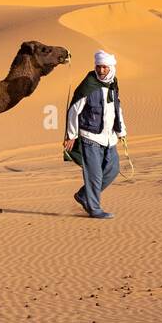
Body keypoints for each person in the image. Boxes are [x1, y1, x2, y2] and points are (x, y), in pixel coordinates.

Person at [64, 50, 126, 219]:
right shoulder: (88, 86)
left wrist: (121, 131)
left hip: (109, 138)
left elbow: (116, 109)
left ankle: (84, 195)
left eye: (104, 67)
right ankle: (94, 208)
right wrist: (71, 135)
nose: (101, 70)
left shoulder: (113, 84)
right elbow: (73, 110)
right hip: (90, 138)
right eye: (98, 67)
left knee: (113, 170)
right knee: (94, 175)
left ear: (111, 68)